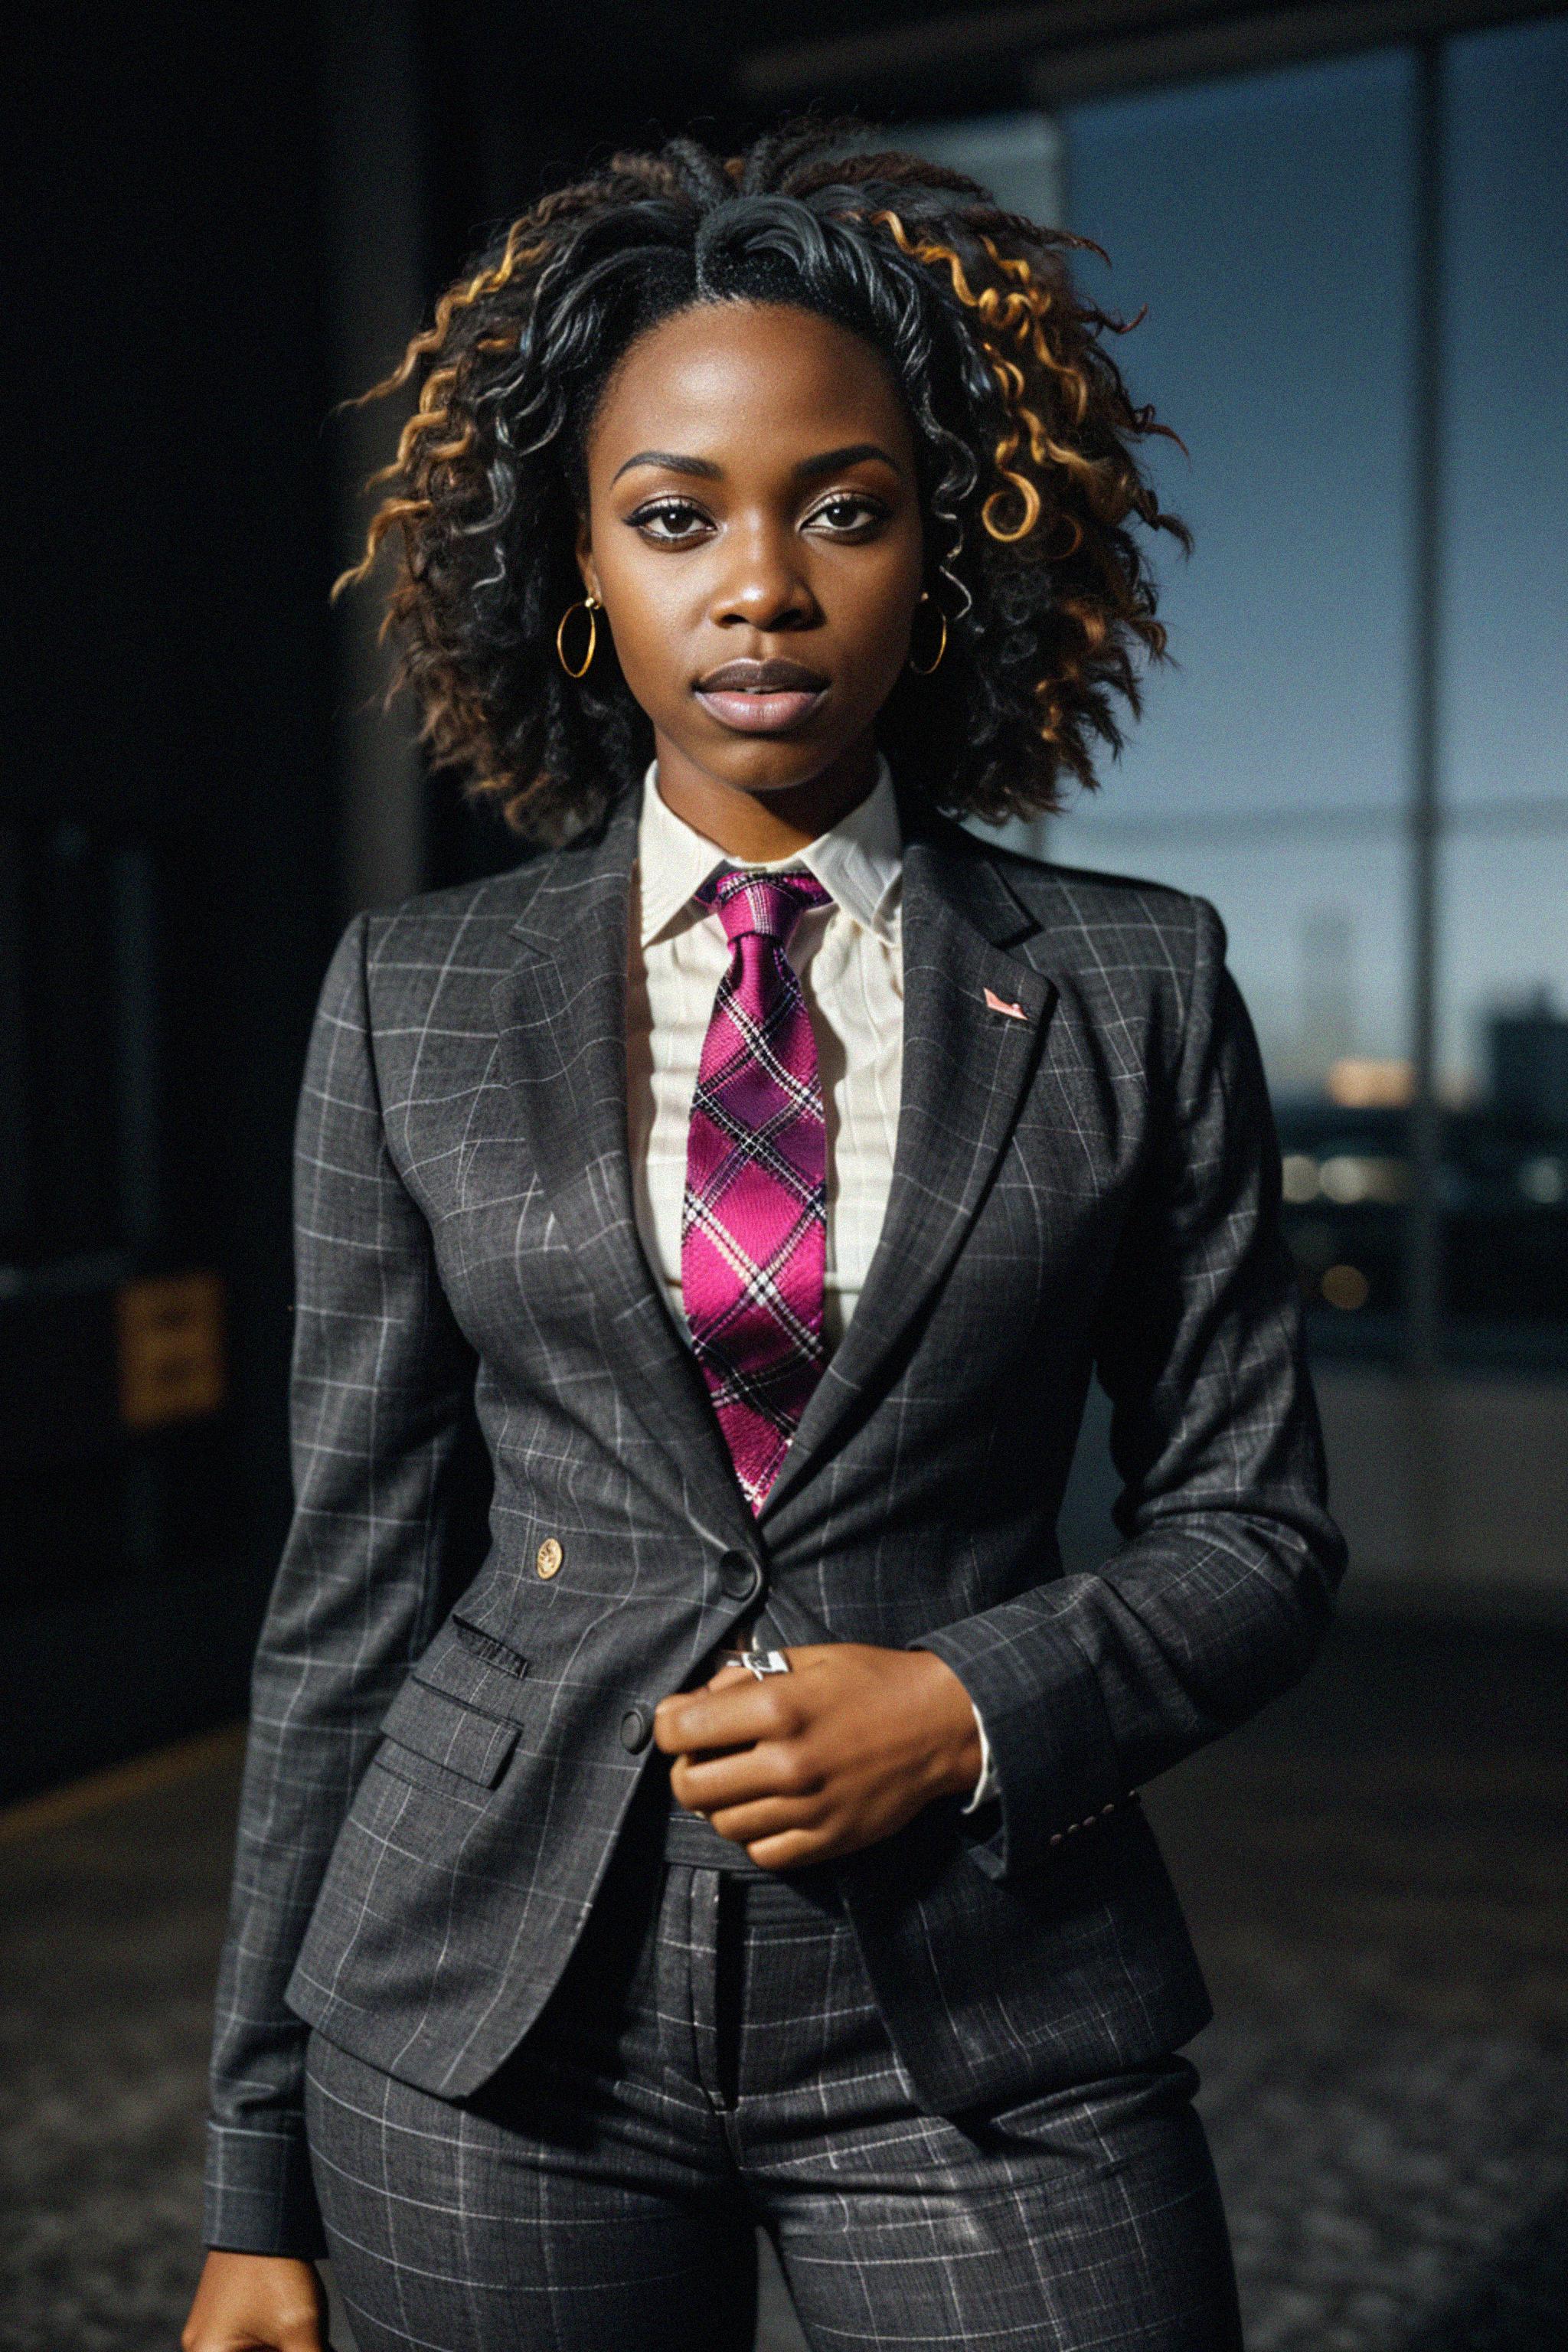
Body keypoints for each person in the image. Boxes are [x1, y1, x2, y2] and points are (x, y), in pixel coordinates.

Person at [183, 122, 1344, 2352]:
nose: (762, 589)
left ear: (948, 554)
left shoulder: (1137, 981)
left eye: (845, 507)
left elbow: (1259, 1534)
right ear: (579, 569)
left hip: (991, 2000)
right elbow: (344, 1604)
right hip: (484, 2026)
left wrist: (976, 1703)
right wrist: (258, 2174)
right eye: (674, 516)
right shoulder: (404, 998)